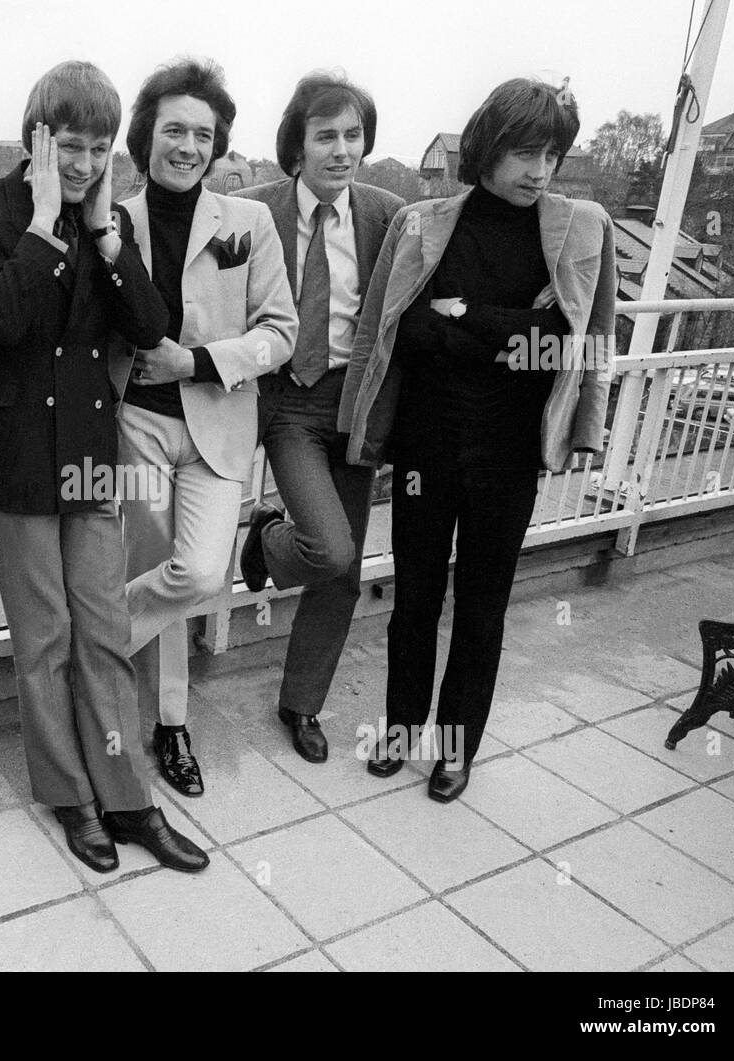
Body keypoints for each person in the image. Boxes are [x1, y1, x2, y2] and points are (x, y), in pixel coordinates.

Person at [0, 61, 208, 874]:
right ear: (36, 138)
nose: (85, 164)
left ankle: (127, 797)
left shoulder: (111, 219)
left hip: (90, 453)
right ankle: (70, 797)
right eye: (70, 146)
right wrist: (48, 223)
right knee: (44, 634)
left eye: (99, 148)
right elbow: (3, 319)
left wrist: (109, 238)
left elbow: (153, 325)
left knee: (104, 626)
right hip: (14, 451)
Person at [340, 77, 616, 801]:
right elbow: (400, 333)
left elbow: (569, 345)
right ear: (489, 147)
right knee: (415, 600)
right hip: (426, 445)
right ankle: (401, 731)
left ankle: (455, 750)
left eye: (552, 154)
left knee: (484, 605)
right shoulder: (424, 223)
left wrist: (468, 321)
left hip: (509, 450)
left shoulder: (579, 229)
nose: (540, 170)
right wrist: (507, 325)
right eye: (526, 152)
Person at [115, 58, 297, 795]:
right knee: (145, 565)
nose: (188, 145)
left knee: (195, 571)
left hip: (217, 424)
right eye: (174, 130)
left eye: (203, 133)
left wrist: (193, 361)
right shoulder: (113, 219)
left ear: (217, 143)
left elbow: (280, 332)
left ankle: (84, 651)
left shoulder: (247, 223)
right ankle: (167, 722)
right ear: (146, 136)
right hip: (133, 426)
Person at [233, 72, 404, 763]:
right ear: (297, 145)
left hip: (355, 404)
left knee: (344, 568)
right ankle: (270, 533)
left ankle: (301, 703)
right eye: (326, 135)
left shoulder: (388, 214)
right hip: (286, 403)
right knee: (328, 547)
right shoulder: (250, 211)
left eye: (353, 134)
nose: (342, 150)